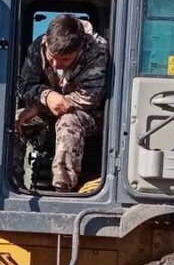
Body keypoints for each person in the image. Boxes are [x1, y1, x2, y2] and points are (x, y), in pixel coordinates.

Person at [16, 14, 109, 192]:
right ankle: (14, 183)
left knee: (68, 122)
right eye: (52, 58)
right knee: (15, 120)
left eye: (65, 59)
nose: (57, 65)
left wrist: (47, 104)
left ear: (80, 48)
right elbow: (24, 84)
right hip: (46, 109)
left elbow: (91, 96)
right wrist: (46, 96)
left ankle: (63, 187)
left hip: (87, 116)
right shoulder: (39, 46)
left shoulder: (97, 50)